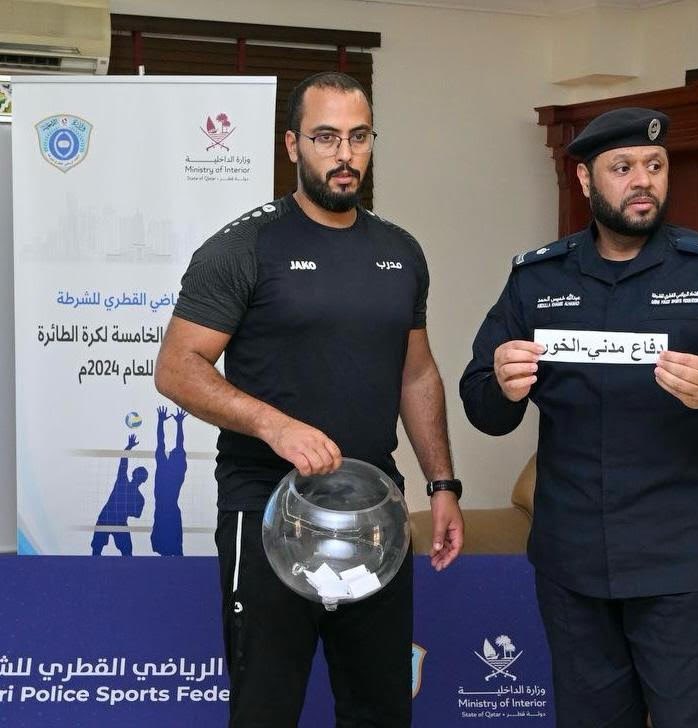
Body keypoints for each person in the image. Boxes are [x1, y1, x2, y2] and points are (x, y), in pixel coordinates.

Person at [460, 107, 698, 728]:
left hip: (685, 569)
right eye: (622, 168)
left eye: (655, 165)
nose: (642, 180)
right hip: (574, 569)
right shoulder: (537, 278)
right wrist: (503, 387)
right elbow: (481, 400)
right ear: (587, 183)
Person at [155, 71, 464, 727]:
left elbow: (417, 375)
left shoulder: (400, 253)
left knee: (379, 708)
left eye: (357, 137)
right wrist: (274, 426)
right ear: (293, 145)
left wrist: (443, 483)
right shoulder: (244, 248)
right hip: (266, 508)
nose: (344, 154)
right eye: (326, 137)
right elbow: (178, 368)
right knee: (266, 709)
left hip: (370, 511)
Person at [90, 433, 147, 556]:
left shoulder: (139, 498)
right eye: (138, 474)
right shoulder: (122, 481)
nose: (138, 477)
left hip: (120, 522)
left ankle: (128, 573)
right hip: (106, 517)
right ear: (134, 474)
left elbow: (137, 514)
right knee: (97, 548)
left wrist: (125, 510)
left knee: (127, 551)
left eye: (141, 476)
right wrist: (128, 448)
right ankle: (92, 569)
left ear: (143, 480)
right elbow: (123, 463)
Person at [151, 405, 188, 556]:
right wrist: (178, 423)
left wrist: (161, 421)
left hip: (165, 510)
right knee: (168, 549)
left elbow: (165, 443)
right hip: (168, 510)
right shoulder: (177, 470)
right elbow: (173, 444)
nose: (171, 451)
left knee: (174, 549)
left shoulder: (166, 469)